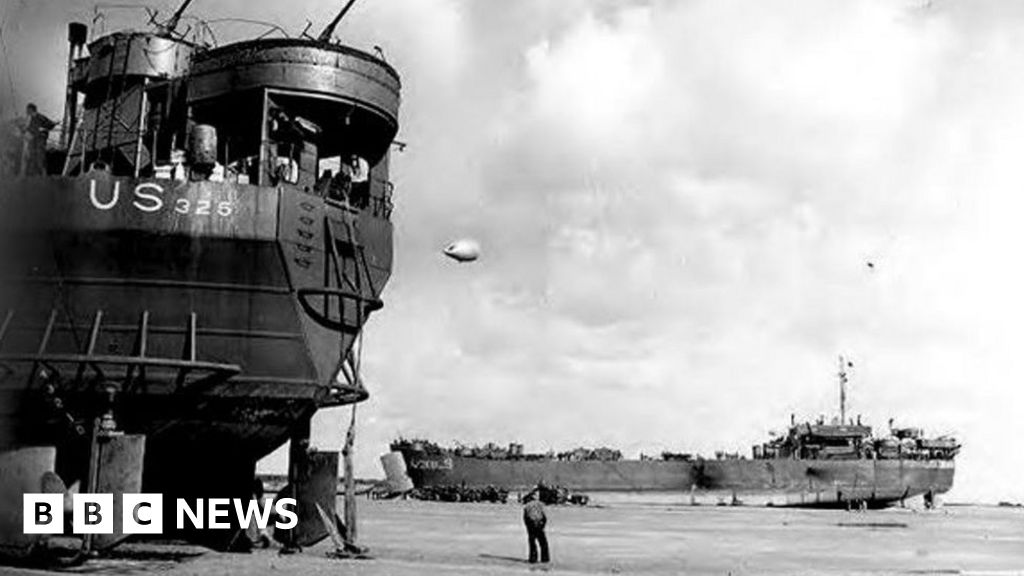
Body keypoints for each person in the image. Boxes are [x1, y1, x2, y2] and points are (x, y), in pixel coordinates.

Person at [21, 103, 55, 175]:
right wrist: (25, 130)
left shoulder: (40, 117)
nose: (26, 112)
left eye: (27, 110)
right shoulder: (30, 119)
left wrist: (43, 129)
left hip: (39, 144)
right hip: (32, 144)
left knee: (41, 161)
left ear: (31, 110)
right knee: (32, 161)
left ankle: (43, 178)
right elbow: (29, 129)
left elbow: (51, 125)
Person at [522, 486, 550, 564]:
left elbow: (525, 518)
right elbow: (544, 517)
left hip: (532, 525)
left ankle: (533, 559)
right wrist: (542, 525)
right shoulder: (540, 504)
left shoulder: (528, 505)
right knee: (543, 543)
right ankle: (545, 559)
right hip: (538, 524)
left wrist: (528, 526)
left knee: (532, 543)